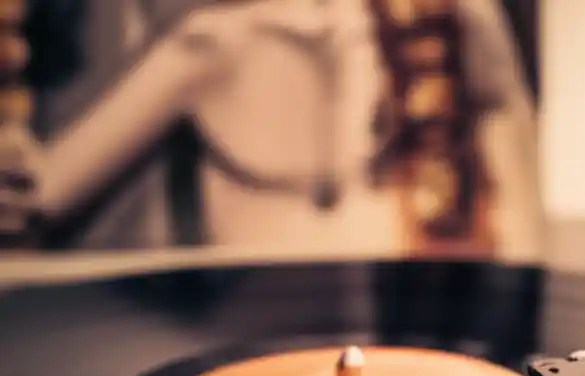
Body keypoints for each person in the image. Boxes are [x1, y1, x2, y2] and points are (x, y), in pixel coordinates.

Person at [1, 0, 543, 261]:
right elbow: (32, 199)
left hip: (439, 368)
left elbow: (525, 248)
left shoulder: (456, 25)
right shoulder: (213, 44)